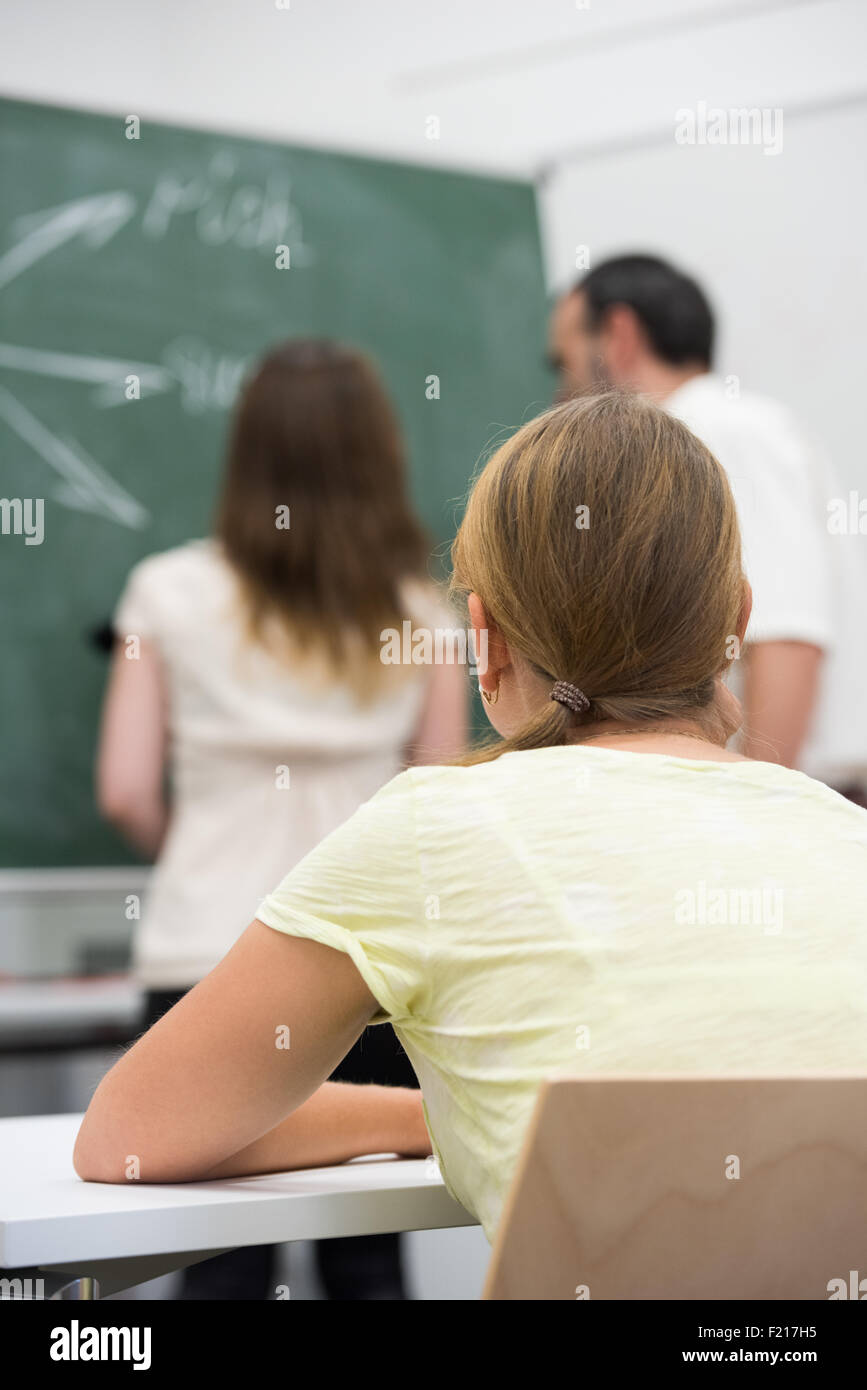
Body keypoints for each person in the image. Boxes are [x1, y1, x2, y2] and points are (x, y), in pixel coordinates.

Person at [77, 392, 867, 1254]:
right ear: (737, 625)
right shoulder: (845, 836)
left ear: (481, 640)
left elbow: (126, 1135)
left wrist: (422, 1113)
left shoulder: (433, 830)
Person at [95, 339, 467, 1299]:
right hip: (367, 966)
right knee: (369, 1260)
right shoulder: (423, 613)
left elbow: (125, 789)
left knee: (214, 1262)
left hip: (200, 956)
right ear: (378, 455)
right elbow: (438, 789)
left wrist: (196, 859)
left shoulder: (166, 590)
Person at [548, 253, 846, 776]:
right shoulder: (720, 430)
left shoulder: (719, 432)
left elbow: (786, 638)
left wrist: (762, 818)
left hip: (801, 809)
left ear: (619, 335)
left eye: (563, 360)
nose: (561, 388)